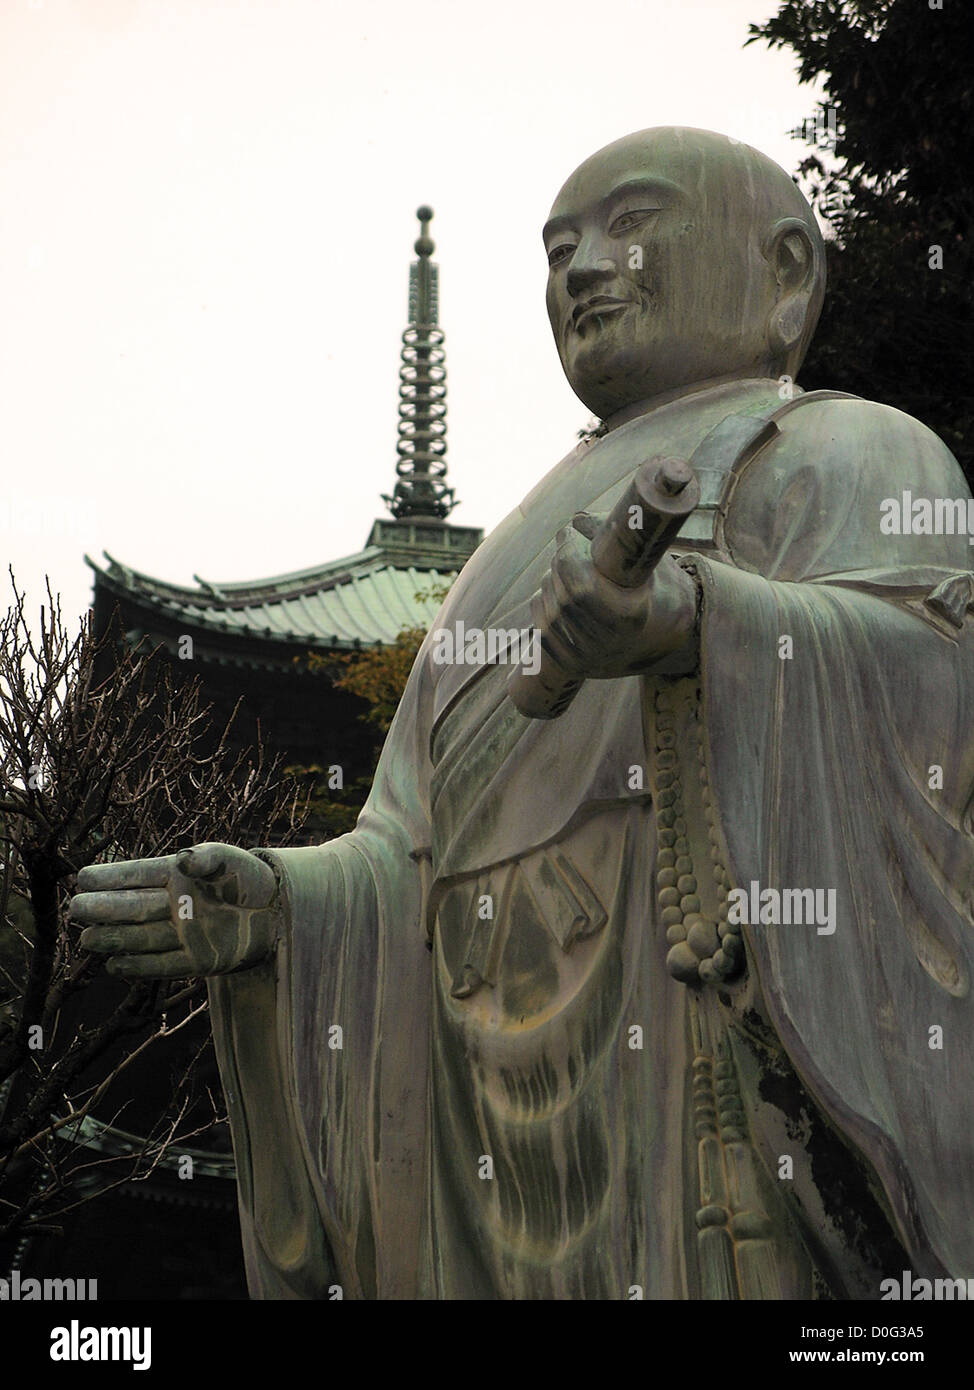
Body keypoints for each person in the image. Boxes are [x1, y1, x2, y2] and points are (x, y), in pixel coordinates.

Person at [71, 127, 974, 1300]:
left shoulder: (840, 450)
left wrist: (702, 625)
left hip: (693, 1056)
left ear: (784, 273)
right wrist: (285, 905)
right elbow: (406, 850)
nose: (584, 266)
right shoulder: (499, 558)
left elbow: (936, 687)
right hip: (487, 1112)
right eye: (559, 247)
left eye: (632, 224)